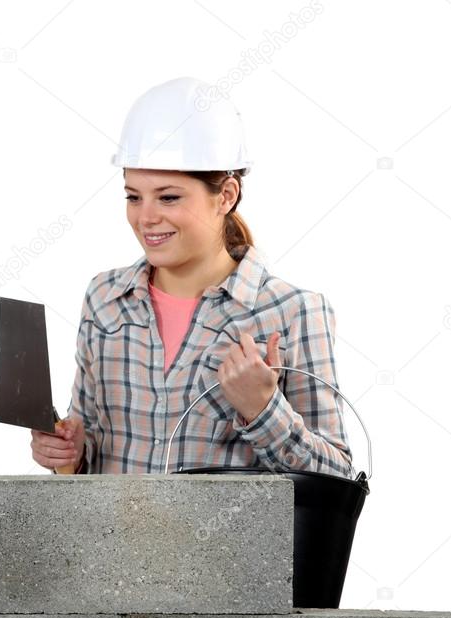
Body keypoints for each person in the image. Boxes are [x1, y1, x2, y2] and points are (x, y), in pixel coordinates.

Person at [31, 77, 353, 478]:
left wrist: (262, 409)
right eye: (133, 196)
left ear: (227, 195)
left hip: (228, 543)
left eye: (168, 197)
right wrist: (73, 453)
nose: (145, 217)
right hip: (109, 541)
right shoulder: (105, 298)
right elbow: (91, 451)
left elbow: (337, 478)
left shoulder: (292, 312)